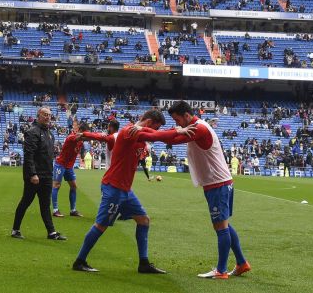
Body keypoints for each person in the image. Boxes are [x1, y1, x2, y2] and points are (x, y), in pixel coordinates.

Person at [72, 108, 187, 274]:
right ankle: (79, 261)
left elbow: (153, 135)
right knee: (101, 225)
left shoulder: (140, 132)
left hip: (125, 189)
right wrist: (177, 130)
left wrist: (180, 133)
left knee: (144, 221)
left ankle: (144, 263)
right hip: (114, 187)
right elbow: (155, 136)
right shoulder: (129, 131)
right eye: (156, 127)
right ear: (149, 123)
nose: (156, 131)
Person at [166, 101, 250, 279]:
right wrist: (177, 130)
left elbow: (171, 139)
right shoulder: (198, 126)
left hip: (218, 183)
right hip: (219, 182)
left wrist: (145, 133)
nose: (177, 124)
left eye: (177, 120)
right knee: (224, 224)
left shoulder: (199, 128)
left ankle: (221, 270)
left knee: (220, 227)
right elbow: (173, 137)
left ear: (187, 116)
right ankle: (242, 263)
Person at [11, 106, 66, 241]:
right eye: (45, 114)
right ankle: (15, 230)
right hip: (34, 176)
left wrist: (51, 174)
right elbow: (29, 155)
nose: (47, 117)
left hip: (47, 175)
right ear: (38, 115)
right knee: (26, 202)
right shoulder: (32, 132)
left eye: (49, 115)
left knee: (45, 205)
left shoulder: (50, 134)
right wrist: (33, 174)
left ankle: (51, 232)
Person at [52, 121, 83, 218]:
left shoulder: (81, 142)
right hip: (60, 164)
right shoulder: (71, 137)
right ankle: (55, 210)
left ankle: (73, 210)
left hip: (69, 166)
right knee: (56, 185)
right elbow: (81, 137)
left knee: (73, 186)